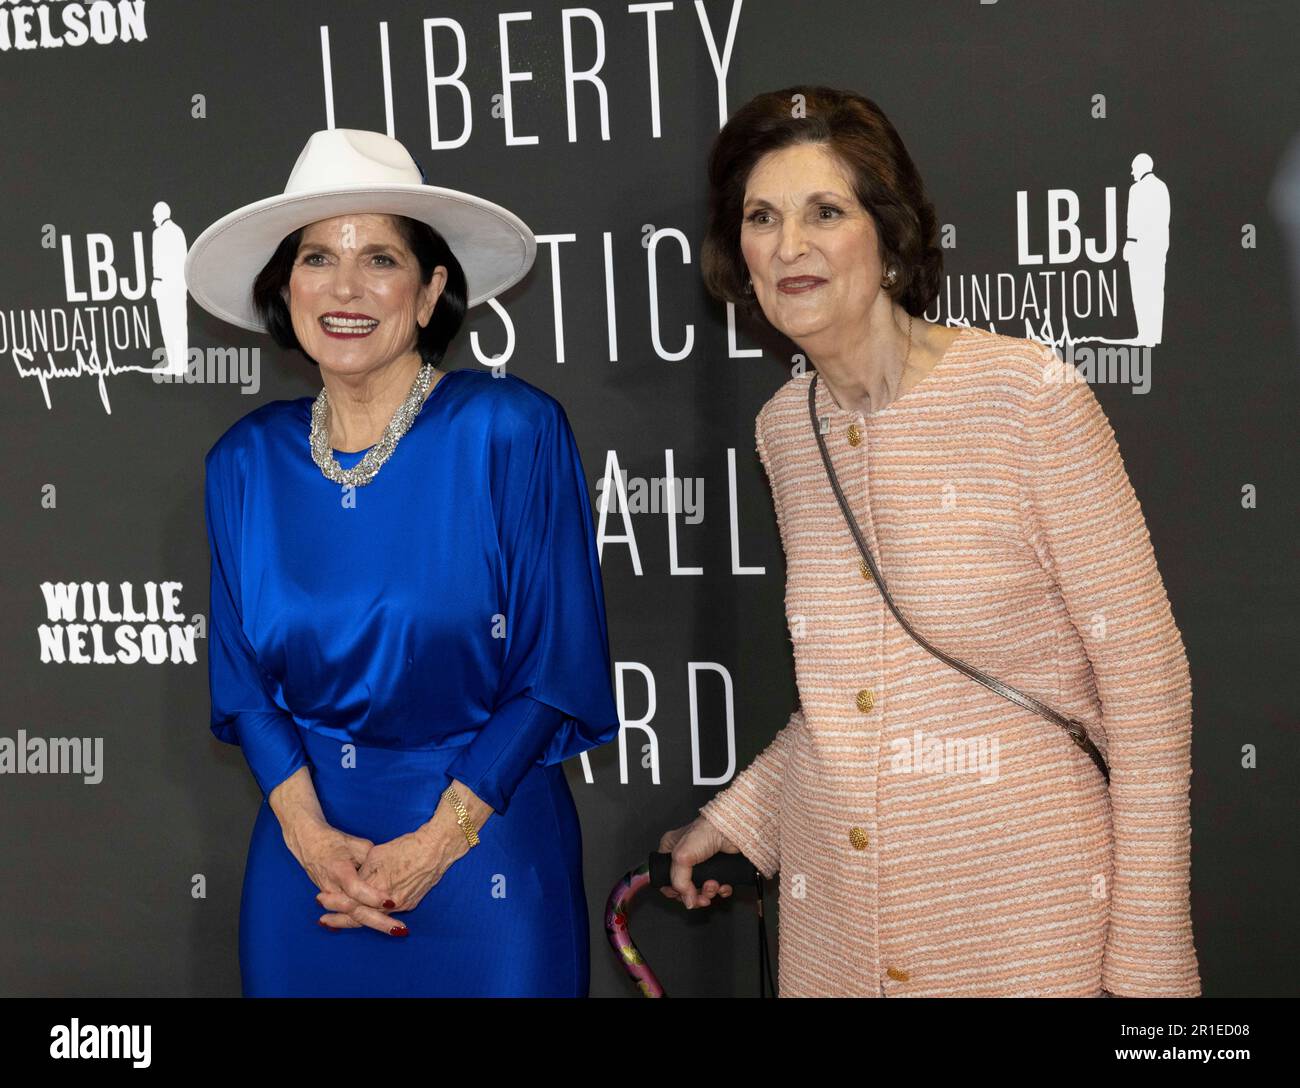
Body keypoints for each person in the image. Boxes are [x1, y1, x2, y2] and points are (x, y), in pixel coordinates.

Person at [657, 87, 1200, 998]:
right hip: (838, 934)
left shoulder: (1027, 399)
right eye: (762, 217)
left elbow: (1149, 690)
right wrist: (741, 818)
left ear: (890, 235)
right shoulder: (787, 429)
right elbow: (857, 697)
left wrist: (1147, 969)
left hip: (1028, 926)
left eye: (825, 211)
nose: (790, 246)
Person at [186, 128, 620, 996]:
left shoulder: (510, 432)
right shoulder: (245, 460)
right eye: (316, 258)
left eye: (379, 258)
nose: (344, 287)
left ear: (429, 294)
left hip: (483, 851)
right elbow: (242, 685)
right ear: (286, 289)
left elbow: (551, 670)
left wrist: (433, 847)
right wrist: (310, 837)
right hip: (306, 866)